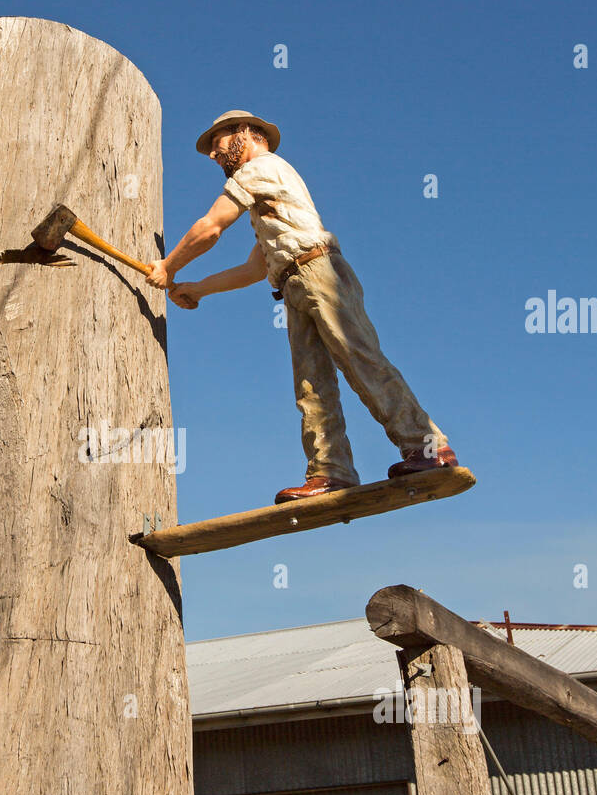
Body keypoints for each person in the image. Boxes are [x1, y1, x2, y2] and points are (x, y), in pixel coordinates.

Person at [145, 110, 458, 502]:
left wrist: (168, 265)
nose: (213, 154)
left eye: (218, 142)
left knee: (360, 359)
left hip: (318, 272)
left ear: (246, 132)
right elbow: (254, 269)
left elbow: (211, 226)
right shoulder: (269, 196)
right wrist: (198, 289)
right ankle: (331, 471)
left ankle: (428, 447)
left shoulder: (261, 168)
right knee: (312, 386)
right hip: (295, 281)